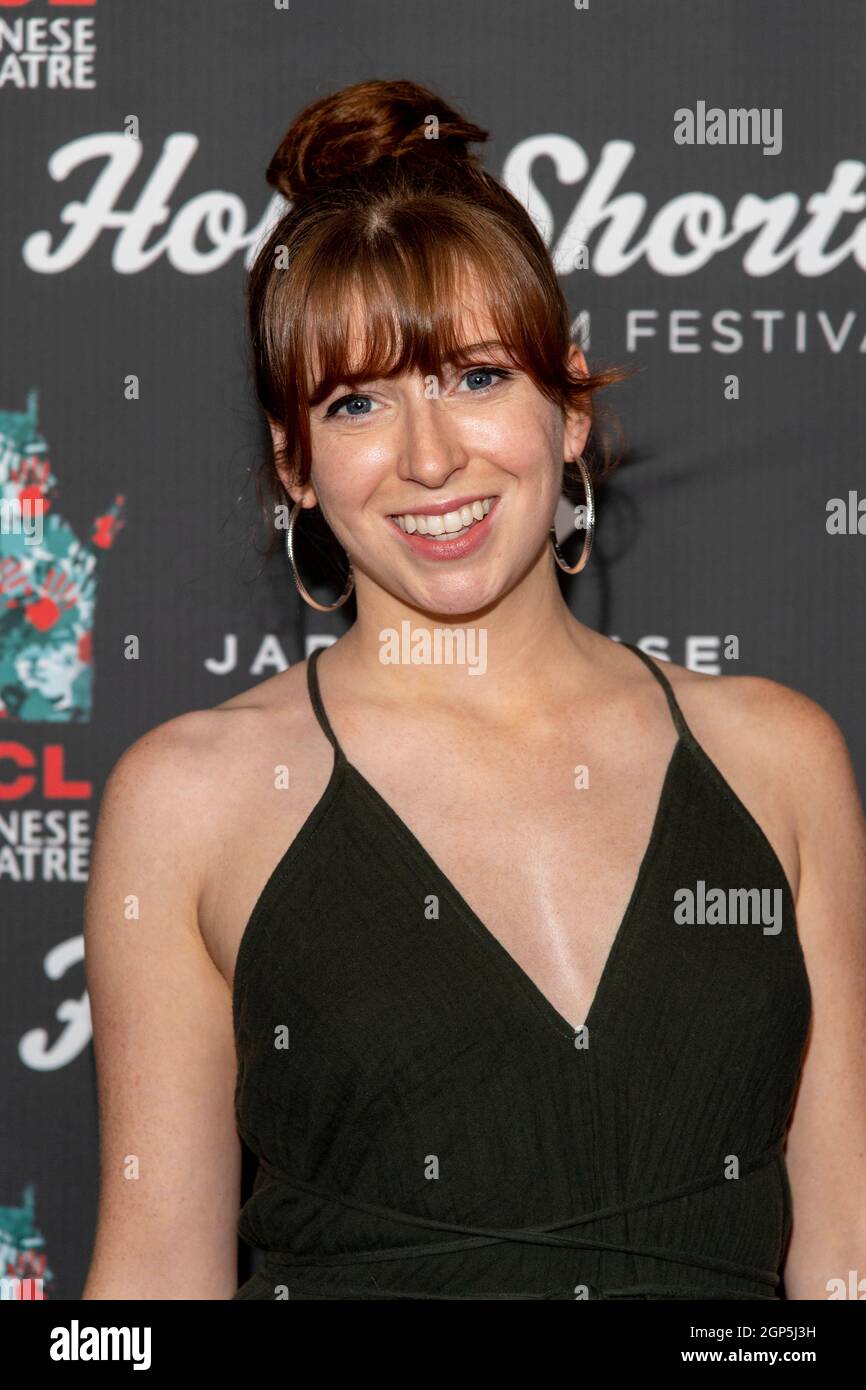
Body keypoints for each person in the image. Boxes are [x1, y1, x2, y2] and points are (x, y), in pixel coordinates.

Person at [81, 79, 866, 1301]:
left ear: (565, 402)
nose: (431, 456)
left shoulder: (775, 758)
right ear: (292, 463)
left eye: (476, 376)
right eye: (357, 403)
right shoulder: (188, 797)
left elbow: (844, 1260)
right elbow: (150, 1287)